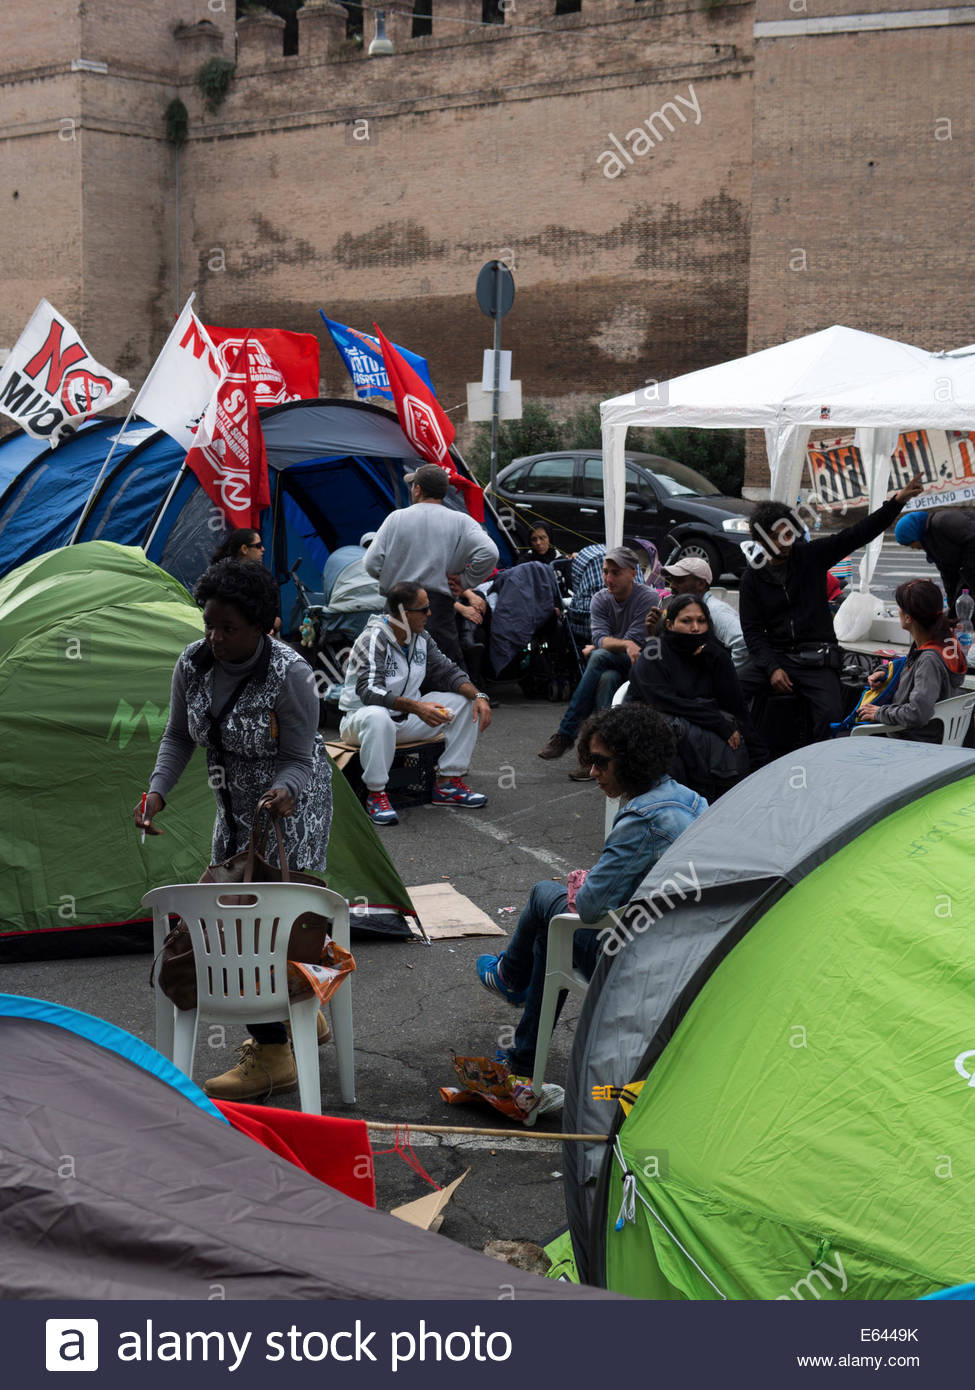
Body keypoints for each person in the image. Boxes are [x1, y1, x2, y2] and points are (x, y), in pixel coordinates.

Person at [135, 558, 333, 1102]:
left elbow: (301, 756)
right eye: (209, 626)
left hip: (292, 812)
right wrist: (157, 791)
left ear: (264, 624)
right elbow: (178, 737)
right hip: (233, 811)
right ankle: (298, 1021)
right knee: (233, 926)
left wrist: (286, 791)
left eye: (229, 629)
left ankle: (273, 1051)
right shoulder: (193, 665)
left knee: (267, 930)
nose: (216, 638)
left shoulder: (291, 673)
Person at [476, 704, 705, 1082]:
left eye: (601, 763)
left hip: (637, 960)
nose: (593, 773)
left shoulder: (641, 819)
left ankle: (511, 980)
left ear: (632, 761)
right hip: (679, 949)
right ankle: (519, 1042)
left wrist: (585, 881)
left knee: (544, 900)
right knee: (554, 932)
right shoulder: (691, 799)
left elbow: (591, 907)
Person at [738, 474, 924, 744]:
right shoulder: (751, 578)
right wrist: (771, 668)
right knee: (732, 689)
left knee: (831, 717)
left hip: (817, 659)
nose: (785, 544)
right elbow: (752, 632)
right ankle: (752, 755)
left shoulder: (810, 556)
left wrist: (896, 502)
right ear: (762, 539)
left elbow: (857, 534)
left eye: (789, 535)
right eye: (777, 539)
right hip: (777, 657)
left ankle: (821, 766)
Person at [338, 581, 492, 825]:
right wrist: (417, 707)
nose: (429, 613)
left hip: (405, 719)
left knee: (464, 702)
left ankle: (447, 784)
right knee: (378, 716)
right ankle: (376, 794)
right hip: (362, 723)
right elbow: (368, 691)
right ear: (403, 614)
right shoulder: (372, 639)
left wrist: (478, 696)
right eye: (424, 609)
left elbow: (448, 672)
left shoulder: (421, 638)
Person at [538, 545, 660, 778]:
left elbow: (629, 640)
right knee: (606, 677)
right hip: (615, 663)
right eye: (605, 572)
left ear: (633, 572)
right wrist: (618, 644)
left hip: (642, 666)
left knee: (599, 655)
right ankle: (601, 759)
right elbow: (604, 639)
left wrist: (604, 645)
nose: (608, 578)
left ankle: (566, 734)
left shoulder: (648, 597)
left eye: (615, 572)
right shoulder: (600, 598)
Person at [628, 593, 765, 798]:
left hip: (704, 735)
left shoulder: (712, 653)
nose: (695, 628)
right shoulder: (654, 653)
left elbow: (736, 706)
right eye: (686, 621)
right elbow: (664, 702)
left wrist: (718, 659)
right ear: (670, 624)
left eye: (701, 621)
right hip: (659, 735)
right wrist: (717, 722)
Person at [363, 463, 498, 667]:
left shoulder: (396, 518)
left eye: (412, 486)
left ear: (418, 489)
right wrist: (465, 580)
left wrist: (391, 581)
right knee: (446, 671)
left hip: (399, 606)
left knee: (395, 668)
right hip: (437, 609)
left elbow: (371, 563)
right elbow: (490, 553)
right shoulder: (461, 521)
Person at [854, 578, 967, 739]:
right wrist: (887, 671)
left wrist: (880, 712)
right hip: (934, 736)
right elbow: (917, 668)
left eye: (900, 607)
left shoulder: (929, 659)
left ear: (908, 618)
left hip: (912, 743)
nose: (898, 610)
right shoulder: (945, 642)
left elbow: (917, 713)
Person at [654, 556, 748, 667]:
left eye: (679, 580)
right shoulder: (682, 609)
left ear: (701, 584)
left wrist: (729, 675)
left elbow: (742, 642)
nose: (672, 585)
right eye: (672, 580)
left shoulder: (715, 610)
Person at [894, 506, 975, 618]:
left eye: (910, 543)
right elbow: (948, 576)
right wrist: (952, 607)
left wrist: (967, 568)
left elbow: (972, 538)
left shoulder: (942, 521)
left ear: (915, 534)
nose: (912, 548)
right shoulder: (932, 544)